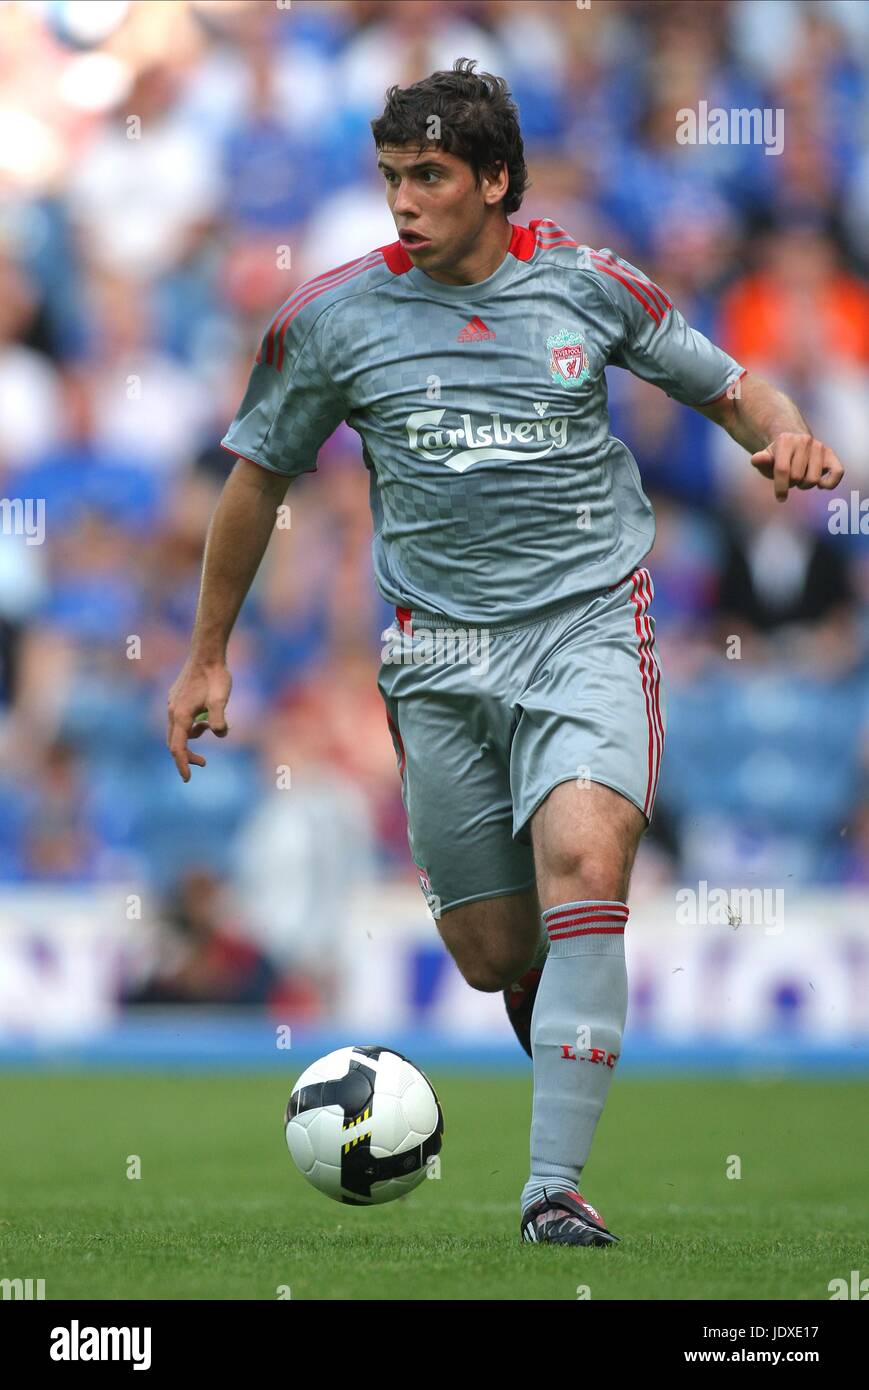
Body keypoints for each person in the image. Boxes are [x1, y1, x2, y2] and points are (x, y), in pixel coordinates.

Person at [167, 60, 844, 1247]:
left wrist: (784, 440)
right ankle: (544, 998)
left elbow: (732, 390)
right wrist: (207, 653)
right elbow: (256, 476)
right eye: (389, 177)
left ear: (492, 181)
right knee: (488, 954)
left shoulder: (588, 288)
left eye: (427, 176)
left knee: (586, 859)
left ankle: (552, 1188)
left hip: (585, 627)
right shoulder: (330, 318)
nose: (402, 201)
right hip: (436, 659)